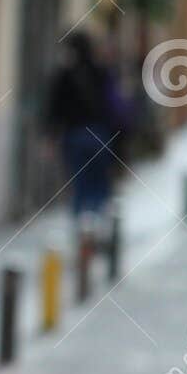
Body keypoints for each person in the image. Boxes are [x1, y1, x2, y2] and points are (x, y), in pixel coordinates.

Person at [46, 30, 118, 232]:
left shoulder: (64, 76)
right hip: (99, 135)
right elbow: (112, 107)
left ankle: (82, 231)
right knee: (99, 184)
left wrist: (51, 139)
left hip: (75, 136)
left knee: (79, 183)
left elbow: (54, 110)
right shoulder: (102, 73)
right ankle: (96, 229)